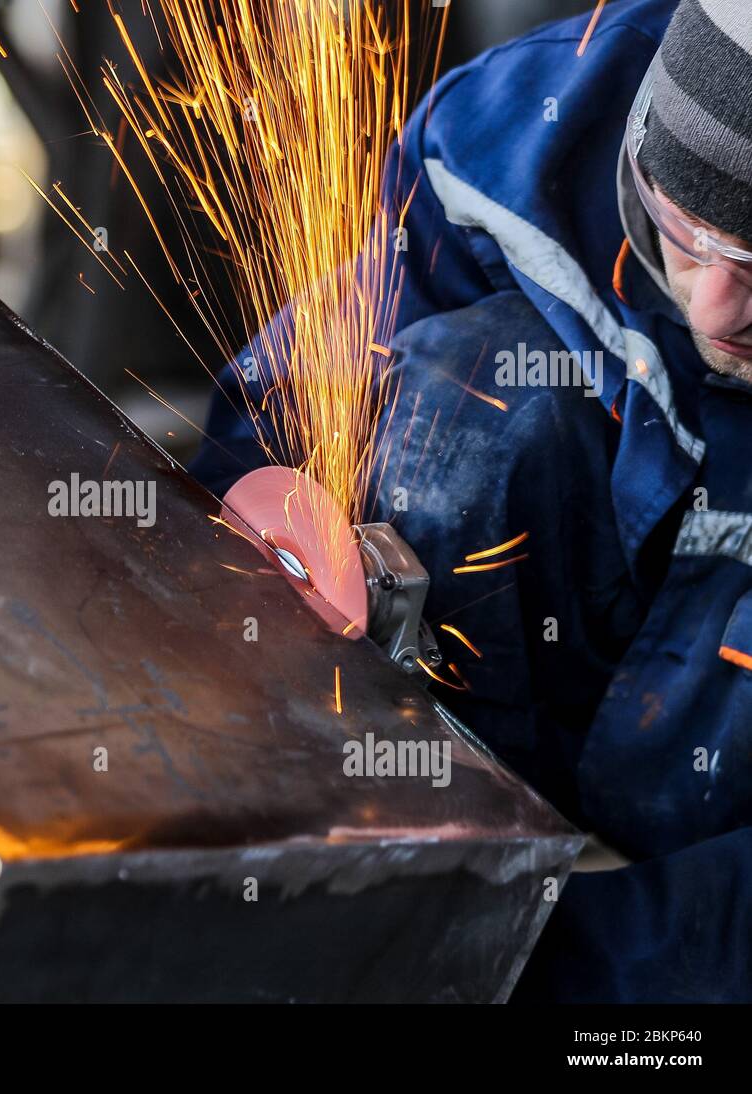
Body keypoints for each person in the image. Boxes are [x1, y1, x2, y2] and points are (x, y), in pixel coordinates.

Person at [190, 0, 752, 1002]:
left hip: (707, 806)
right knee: (473, 389)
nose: (715, 306)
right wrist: (266, 519)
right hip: (550, 681)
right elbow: (313, 376)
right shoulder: (532, 125)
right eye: (685, 235)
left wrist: (523, 973)